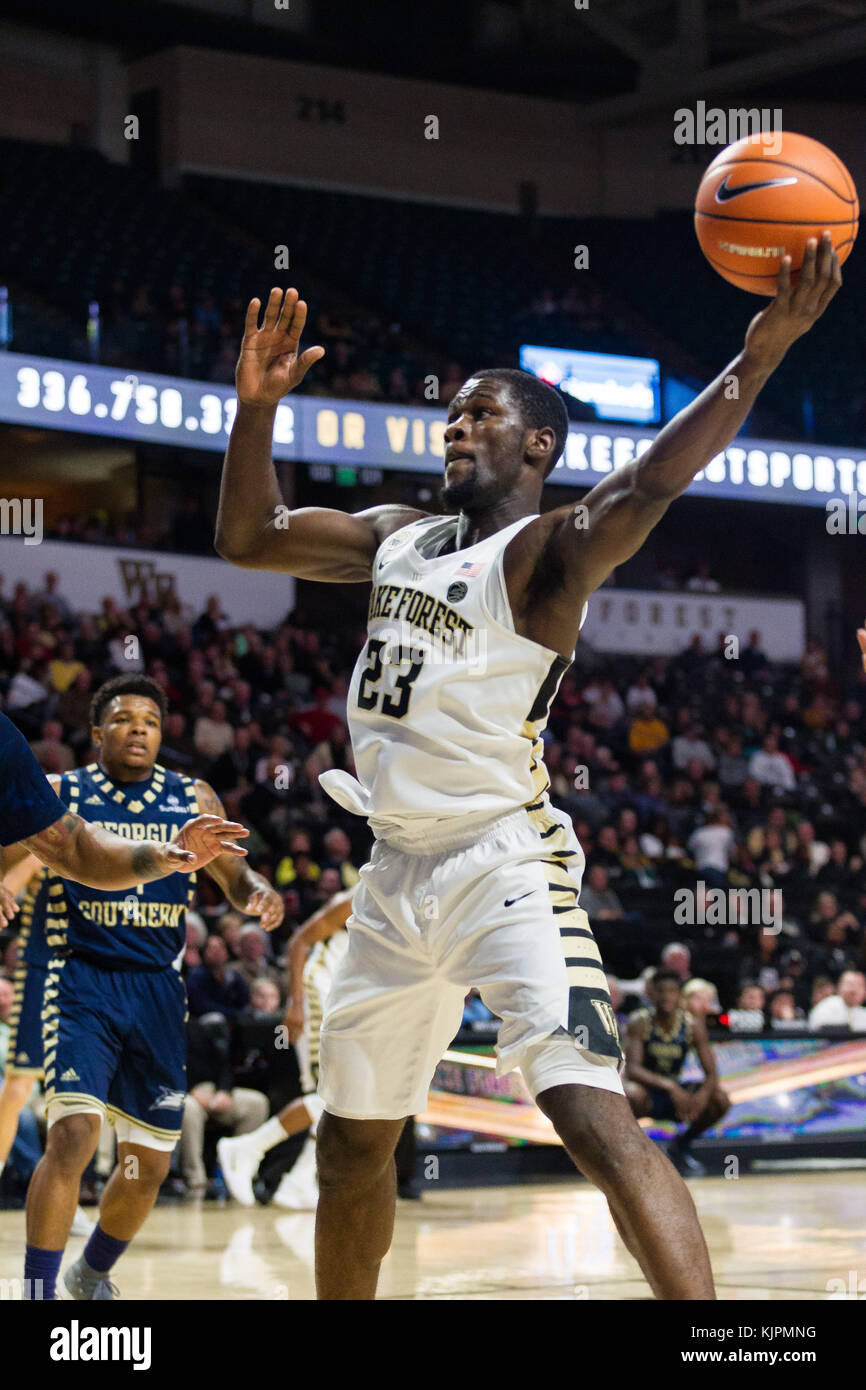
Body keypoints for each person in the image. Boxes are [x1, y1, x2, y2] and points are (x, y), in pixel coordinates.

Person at [216, 255, 841, 1302]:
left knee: (593, 1119)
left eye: (478, 416)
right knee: (348, 1147)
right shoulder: (396, 537)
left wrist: (757, 351)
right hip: (391, 875)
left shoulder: (548, 551)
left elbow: (651, 480)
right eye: (448, 416)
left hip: (500, 864)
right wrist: (252, 416)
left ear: (535, 443)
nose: (453, 428)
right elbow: (245, 537)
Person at [2, 678, 278, 1301]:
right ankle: (37, 1290)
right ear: (97, 734)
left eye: (150, 721)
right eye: (124, 720)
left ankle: (90, 1273)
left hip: (157, 990)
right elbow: (18, 846)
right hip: (80, 979)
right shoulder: (61, 791)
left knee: (147, 1166)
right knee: (73, 1135)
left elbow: (234, 875)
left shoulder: (192, 795)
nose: (138, 730)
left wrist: (257, 891)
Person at [218, 889, 353, 1211]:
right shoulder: (356, 896)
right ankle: (247, 1149)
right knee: (333, 1097)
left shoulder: (406, 904)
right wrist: (295, 1004)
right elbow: (299, 943)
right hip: (320, 990)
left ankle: (297, 1180)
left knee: (339, 1101)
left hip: (348, 999)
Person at [624, 970, 730, 1176]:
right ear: (652, 994)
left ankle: (680, 1146)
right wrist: (672, 1087)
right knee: (632, 1094)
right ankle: (630, 1154)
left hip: (674, 1095)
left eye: (672, 991)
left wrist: (701, 1097)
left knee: (720, 1099)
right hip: (648, 1092)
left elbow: (711, 1072)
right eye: (661, 991)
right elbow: (633, 1069)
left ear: (680, 996)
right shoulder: (640, 1021)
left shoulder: (692, 1025)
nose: (666, 997)